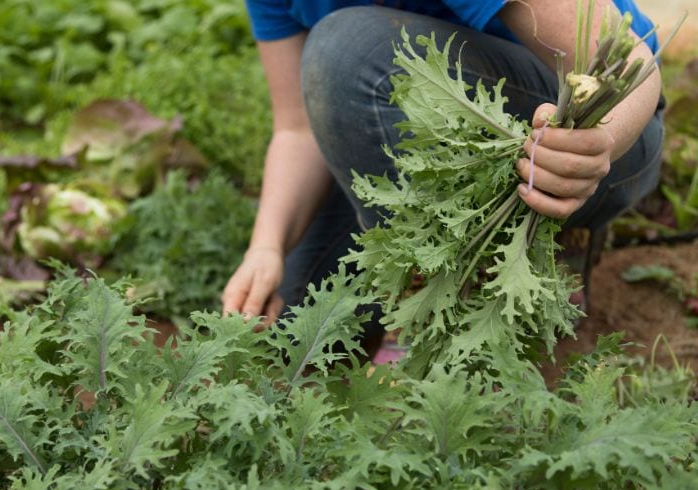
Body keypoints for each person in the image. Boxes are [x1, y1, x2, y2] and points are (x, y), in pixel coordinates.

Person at [222, 0, 664, 334]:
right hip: (428, 141)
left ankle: (459, 295)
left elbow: (627, 65)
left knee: (347, 51)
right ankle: (434, 277)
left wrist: (596, 142)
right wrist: (265, 248)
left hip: (603, 130)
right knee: (298, 313)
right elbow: (297, 130)